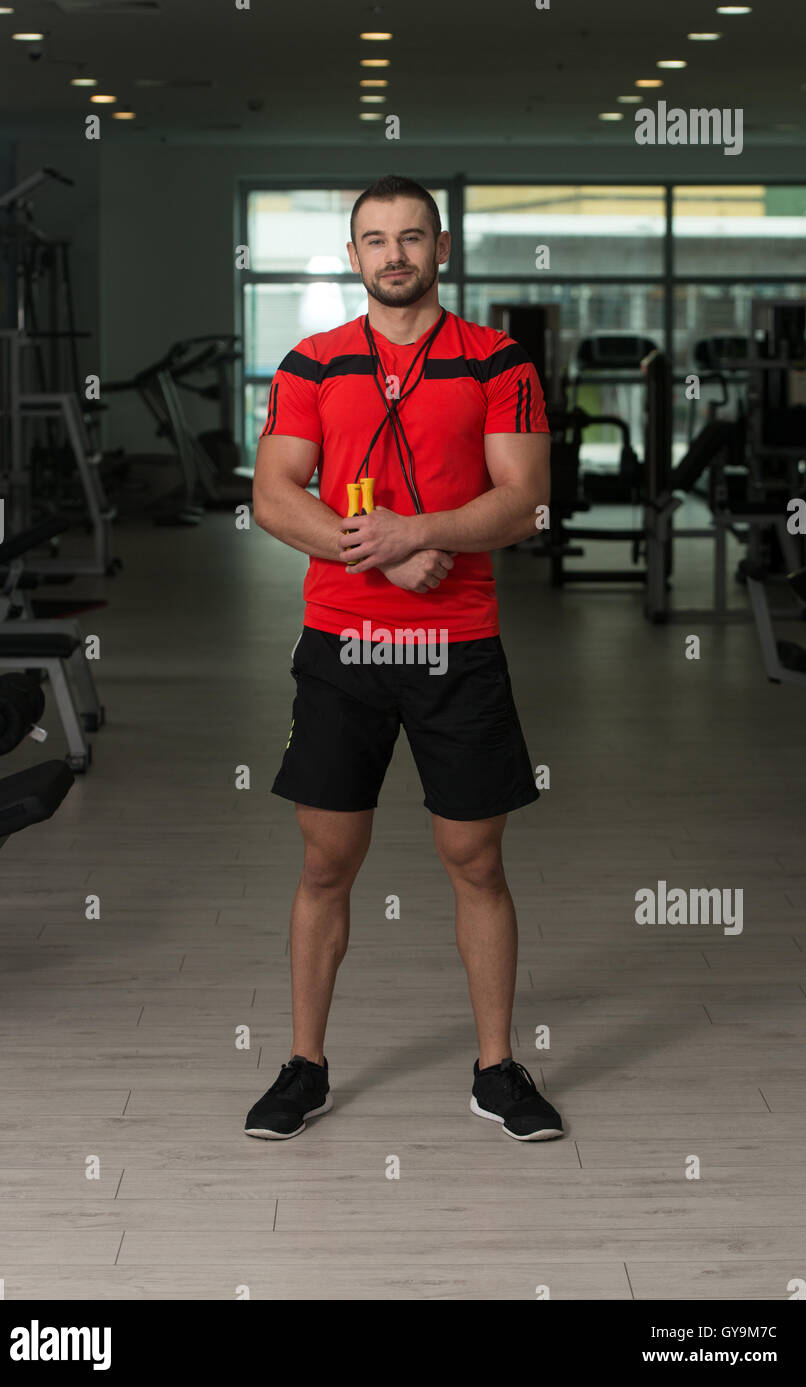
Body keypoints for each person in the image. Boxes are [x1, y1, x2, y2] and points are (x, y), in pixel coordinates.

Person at [247, 175, 562, 1143]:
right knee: (326, 860)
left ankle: (498, 1069)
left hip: (457, 648)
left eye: (411, 237)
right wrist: (373, 543)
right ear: (353, 256)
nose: (394, 254)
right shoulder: (312, 362)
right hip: (341, 646)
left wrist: (417, 530)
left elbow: (524, 499)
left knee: (476, 857)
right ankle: (305, 1066)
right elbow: (272, 492)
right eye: (376, 239)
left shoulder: (500, 361)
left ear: (443, 246)